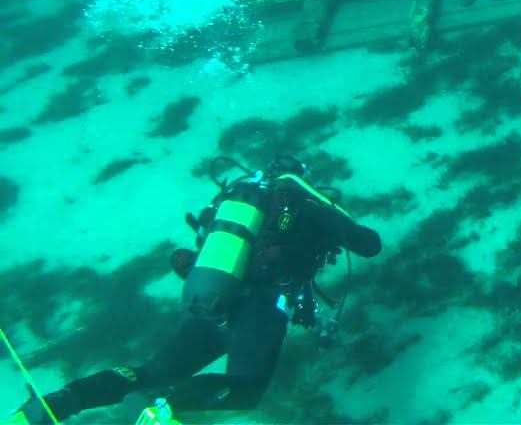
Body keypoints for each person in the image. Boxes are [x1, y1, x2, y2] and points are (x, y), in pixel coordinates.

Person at [7, 155, 382, 424]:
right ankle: (163, 408)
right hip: (265, 306)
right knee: (246, 387)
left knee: (151, 370)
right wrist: (329, 214)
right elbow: (370, 245)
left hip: (214, 300)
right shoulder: (307, 204)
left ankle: (57, 403)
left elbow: (199, 257)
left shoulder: (226, 206)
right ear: (301, 180)